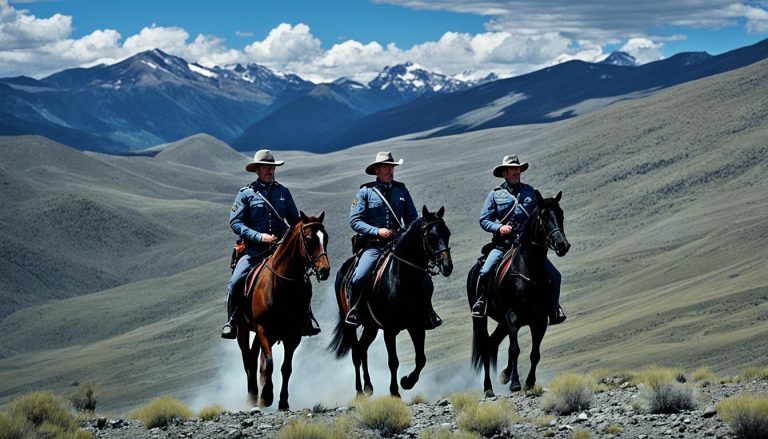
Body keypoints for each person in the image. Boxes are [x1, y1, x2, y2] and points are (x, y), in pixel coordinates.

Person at [221, 150, 321, 339]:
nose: (269, 171)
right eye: (265, 167)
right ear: (257, 170)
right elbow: (235, 222)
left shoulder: (283, 192)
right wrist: (259, 237)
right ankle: (232, 320)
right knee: (236, 282)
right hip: (254, 250)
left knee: (304, 281)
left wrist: (306, 230)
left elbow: (294, 221)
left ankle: (307, 317)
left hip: (280, 250)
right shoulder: (246, 194)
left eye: (271, 167)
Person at [345, 151, 442, 329]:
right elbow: (355, 221)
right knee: (359, 277)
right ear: (377, 170)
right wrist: (377, 231)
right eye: (386, 167)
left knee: (425, 278)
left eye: (392, 167)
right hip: (374, 246)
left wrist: (403, 233)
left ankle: (428, 312)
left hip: (398, 245)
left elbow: (413, 220)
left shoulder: (402, 190)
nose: (390, 171)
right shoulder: (365, 192)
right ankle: (355, 310)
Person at [471, 154, 567, 324]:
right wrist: (499, 228)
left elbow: (540, 216)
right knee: (485, 271)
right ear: (504, 173)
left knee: (556, 276)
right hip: (504, 244)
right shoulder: (495, 195)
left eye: (518, 169)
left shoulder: (530, 191)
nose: (516, 172)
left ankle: (554, 308)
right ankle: (481, 303)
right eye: (512, 169)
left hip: (527, 245)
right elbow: (484, 220)